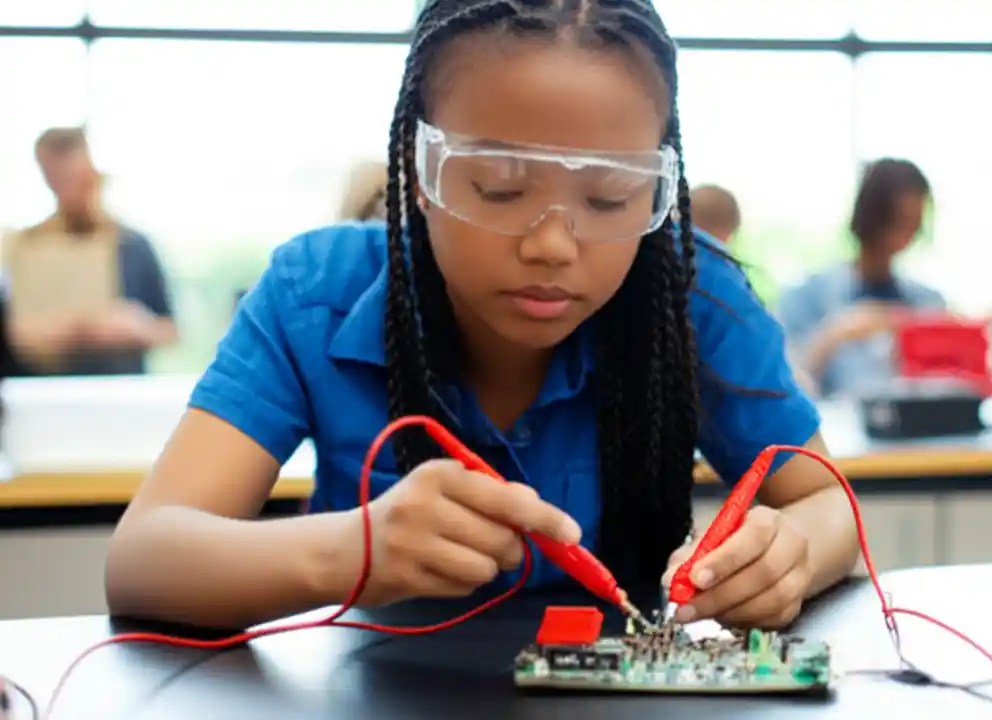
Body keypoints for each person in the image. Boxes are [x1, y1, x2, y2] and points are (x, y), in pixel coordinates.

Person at [105, 0, 857, 631]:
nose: (554, 244)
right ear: (419, 170)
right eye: (498, 188)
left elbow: (829, 505)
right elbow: (143, 560)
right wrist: (353, 551)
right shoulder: (315, 293)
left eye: (609, 197)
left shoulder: (691, 296)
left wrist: (790, 552)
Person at [3, 127, 176, 375]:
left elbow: (169, 329)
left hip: (114, 389)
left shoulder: (132, 245)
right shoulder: (25, 246)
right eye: (55, 176)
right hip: (39, 390)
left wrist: (135, 327)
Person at [777, 158, 945, 398]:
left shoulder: (927, 302)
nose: (905, 237)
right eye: (898, 222)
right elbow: (789, 386)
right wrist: (835, 333)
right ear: (872, 215)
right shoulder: (806, 297)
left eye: (913, 224)